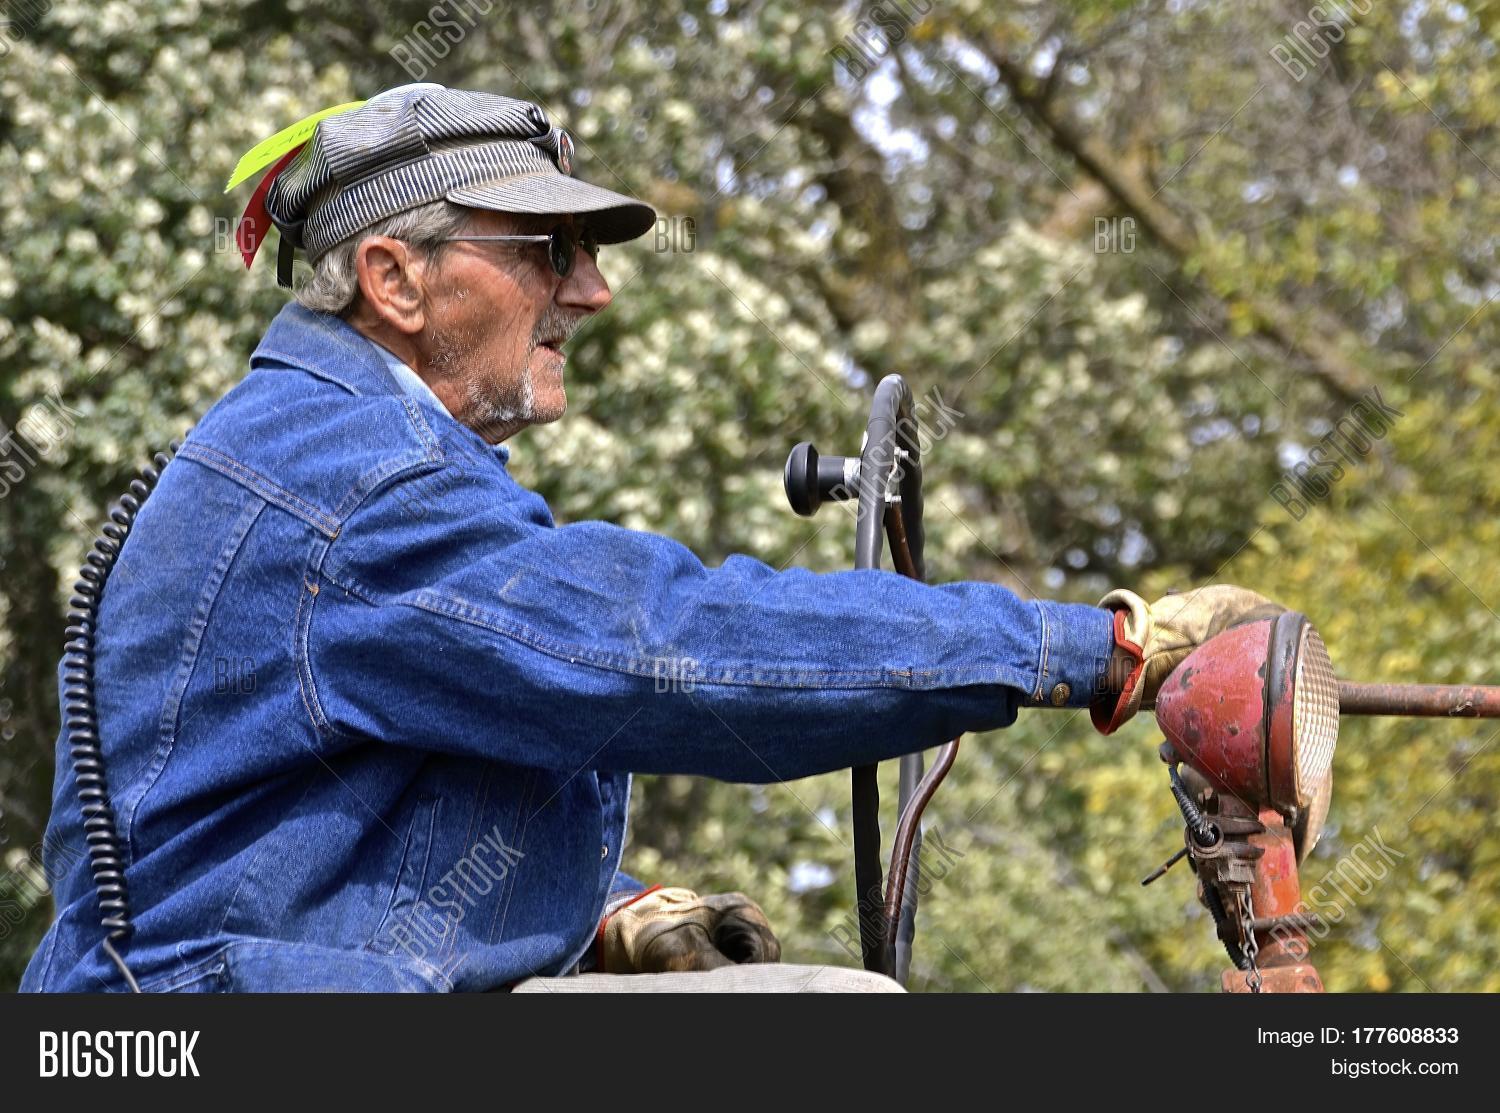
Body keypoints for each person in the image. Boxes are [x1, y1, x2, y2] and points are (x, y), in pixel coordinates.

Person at [22, 85, 1279, 993]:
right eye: (547, 250)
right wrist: (1097, 647)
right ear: (395, 282)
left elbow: (312, 821)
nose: (592, 289)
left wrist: (619, 917)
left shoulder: (314, 447)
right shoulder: (354, 485)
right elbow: (659, 644)